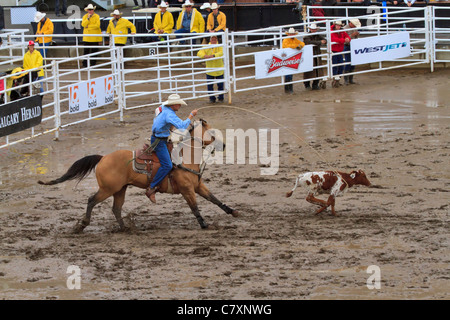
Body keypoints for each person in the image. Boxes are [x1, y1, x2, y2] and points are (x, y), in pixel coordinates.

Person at [146, 94, 198, 203]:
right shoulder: (169, 114)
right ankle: (152, 187)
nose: (179, 105)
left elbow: (157, 111)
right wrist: (191, 115)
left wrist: (167, 125)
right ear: (173, 105)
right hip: (159, 141)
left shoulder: (163, 108)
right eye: (178, 104)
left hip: (161, 137)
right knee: (167, 165)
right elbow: (183, 126)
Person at [197, 35, 224, 103]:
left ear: (216, 40)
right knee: (210, 85)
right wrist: (205, 55)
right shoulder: (206, 47)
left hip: (218, 69)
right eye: (212, 40)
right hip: (210, 69)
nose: (214, 41)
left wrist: (213, 55)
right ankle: (212, 98)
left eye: (215, 40)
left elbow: (221, 52)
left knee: (220, 84)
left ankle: (221, 97)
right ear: (210, 40)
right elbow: (199, 53)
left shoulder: (220, 46)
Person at [303, 23, 327, 90]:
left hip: (316, 54)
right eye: (313, 29)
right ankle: (307, 84)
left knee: (317, 70)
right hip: (310, 55)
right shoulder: (307, 36)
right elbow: (308, 42)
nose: (314, 30)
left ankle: (315, 84)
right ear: (310, 29)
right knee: (309, 70)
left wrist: (322, 41)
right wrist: (320, 42)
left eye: (314, 29)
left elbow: (325, 40)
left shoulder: (317, 35)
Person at [281, 28, 305, 94]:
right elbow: (286, 46)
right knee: (288, 73)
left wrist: (299, 45)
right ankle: (288, 89)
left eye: (293, 34)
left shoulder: (294, 40)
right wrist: (297, 46)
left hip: (291, 58)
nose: (292, 35)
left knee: (290, 73)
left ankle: (289, 89)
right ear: (288, 34)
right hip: (286, 58)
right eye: (291, 34)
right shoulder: (285, 40)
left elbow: (302, 43)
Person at [330, 20, 350, 88]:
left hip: (339, 51)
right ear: (335, 25)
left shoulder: (341, 31)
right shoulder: (332, 32)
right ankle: (335, 80)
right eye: (337, 25)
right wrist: (345, 40)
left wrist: (347, 38)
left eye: (339, 26)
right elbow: (334, 39)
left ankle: (337, 80)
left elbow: (347, 37)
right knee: (335, 66)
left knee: (340, 67)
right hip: (334, 51)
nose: (338, 27)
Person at [343, 18, 361, 85]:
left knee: (353, 62)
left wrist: (356, 35)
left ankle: (349, 79)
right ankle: (347, 80)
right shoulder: (345, 29)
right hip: (347, 46)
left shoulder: (352, 28)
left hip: (352, 45)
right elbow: (344, 39)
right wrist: (352, 35)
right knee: (348, 62)